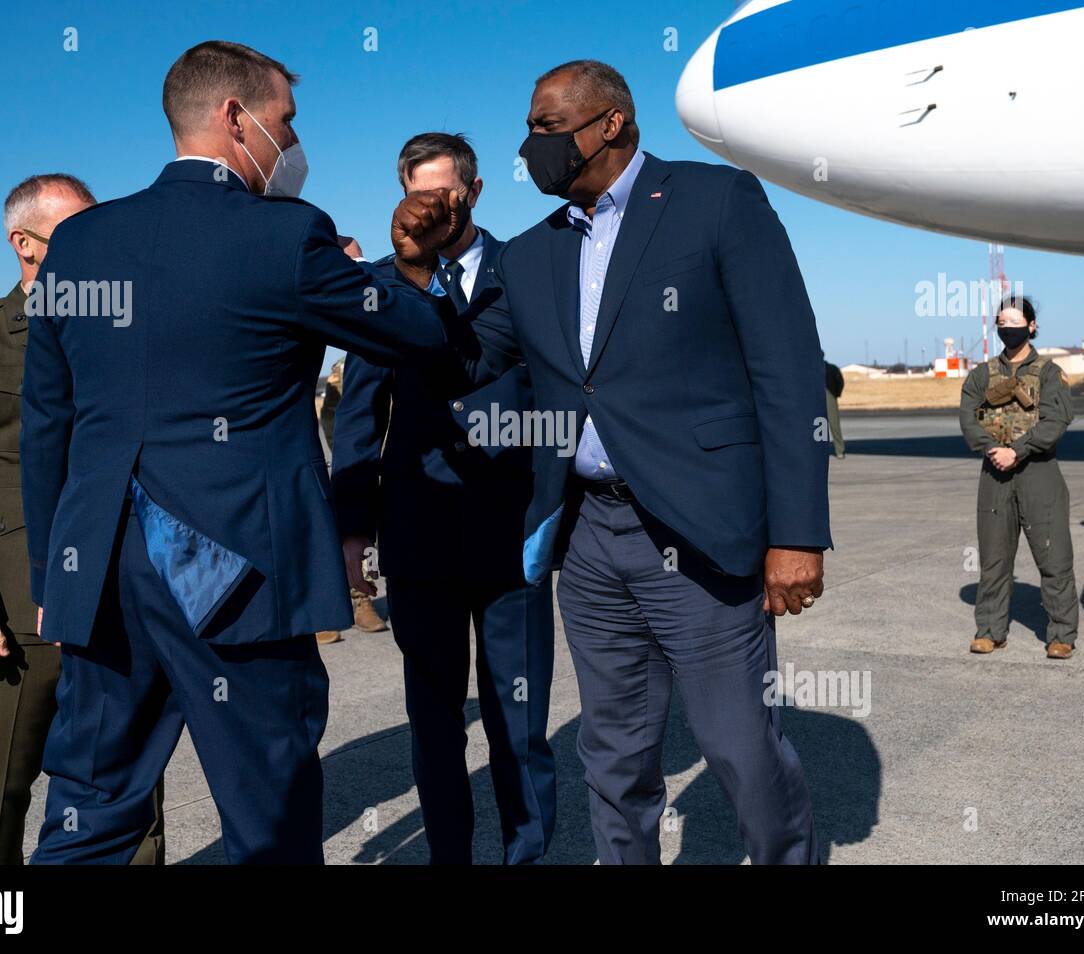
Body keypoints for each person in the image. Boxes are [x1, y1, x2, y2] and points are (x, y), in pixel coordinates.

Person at [22, 40, 459, 864]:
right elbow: (422, 335)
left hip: (100, 571)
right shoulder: (286, 238)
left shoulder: (77, 245)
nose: (290, 142)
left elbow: (46, 419)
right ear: (236, 118)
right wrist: (414, 264)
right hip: (231, 572)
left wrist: (53, 576)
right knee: (268, 814)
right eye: (284, 121)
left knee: (90, 807)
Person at [393, 61, 830, 864]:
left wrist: (797, 534)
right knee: (615, 756)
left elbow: (788, 369)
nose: (533, 146)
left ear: (611, 124)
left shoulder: (715, 201)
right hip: (591, 536)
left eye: (548, 127)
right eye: (530, 129)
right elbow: (464, 364)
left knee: (739, 747)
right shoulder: (531, 255)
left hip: (701, 532)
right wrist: (420, 272)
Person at [0, 174, 164, 864]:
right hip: (15, 616)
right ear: (24, 244)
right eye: (79, 232)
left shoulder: (129, 330)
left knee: (130, 806)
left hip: (122, 606)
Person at [332, 133, 556, 864]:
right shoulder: (377, 285)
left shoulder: (524, 270)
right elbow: (360, 414)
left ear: (476, 191)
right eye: (418, 194)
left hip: (509, 533)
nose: (432, 209)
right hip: (420, 535)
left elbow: (525, 377)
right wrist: (354, 529)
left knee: (518, 724)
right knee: (433, 724)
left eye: (445, 194)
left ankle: (524, 854)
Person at [959, 295, 1078, 659]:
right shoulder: (981, 374)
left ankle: (1061, 634)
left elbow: (1056, 420)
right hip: (994, 473)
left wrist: (1019, 449)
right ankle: (990, 630)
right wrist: (993, 449)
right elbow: (968, 417)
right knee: (994, 558)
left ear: (1031, 326)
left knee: (1053, 556)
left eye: (1014, 321)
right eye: (1001, 322)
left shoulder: (1047, 372)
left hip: (1038, 471)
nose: (1007, 327)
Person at [316, 355, 387, 645]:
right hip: (330, 457)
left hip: (386, 455)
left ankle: (362, 598)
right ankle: (321, 606)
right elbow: (334, 418)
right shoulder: (338, 371)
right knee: (320, 526)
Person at [825, 361, 846, 459]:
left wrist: (836, 394)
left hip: (829, 395)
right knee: (831, 425)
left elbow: (839, 382)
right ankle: (839, 450)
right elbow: (840, 382)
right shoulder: (831, 368)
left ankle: (839, 450)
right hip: (829, 396)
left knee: (831, 425)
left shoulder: (830, 368)